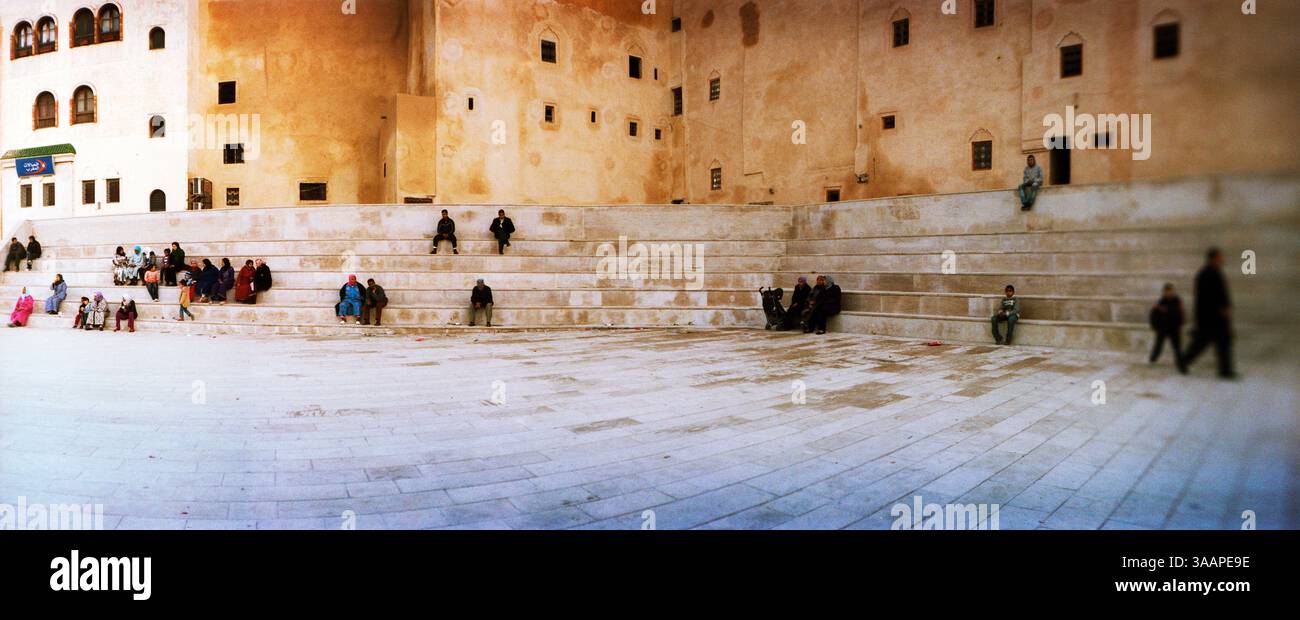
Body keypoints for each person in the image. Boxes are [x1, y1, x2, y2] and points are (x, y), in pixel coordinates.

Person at [1183, 248, 1236, 379]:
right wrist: (1222, 308)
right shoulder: (1206, 274)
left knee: (1222, 342)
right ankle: (1183, 361)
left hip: (1216, 316)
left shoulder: (1214, 272)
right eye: (1220, 257)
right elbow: (1208, 297)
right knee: (1202, 343)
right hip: (1211, 317)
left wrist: (1226, 307)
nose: (1222, 259)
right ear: (1213, 258)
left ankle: (1225, 370)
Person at [1149, 283, 1186, 372]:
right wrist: (1155, 327)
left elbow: (1180, 313)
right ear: (1164, 292)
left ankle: (1181, 365)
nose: (1169, 293)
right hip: (1163, 328)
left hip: (1174, 328)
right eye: (1167, 292)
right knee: (1158, 345)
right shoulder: (1160, 301)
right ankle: (1152, 360)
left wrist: (1180, 324)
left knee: (1177, 348)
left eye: (1170, 291)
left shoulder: (1177, 301)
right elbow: (1154, 315)